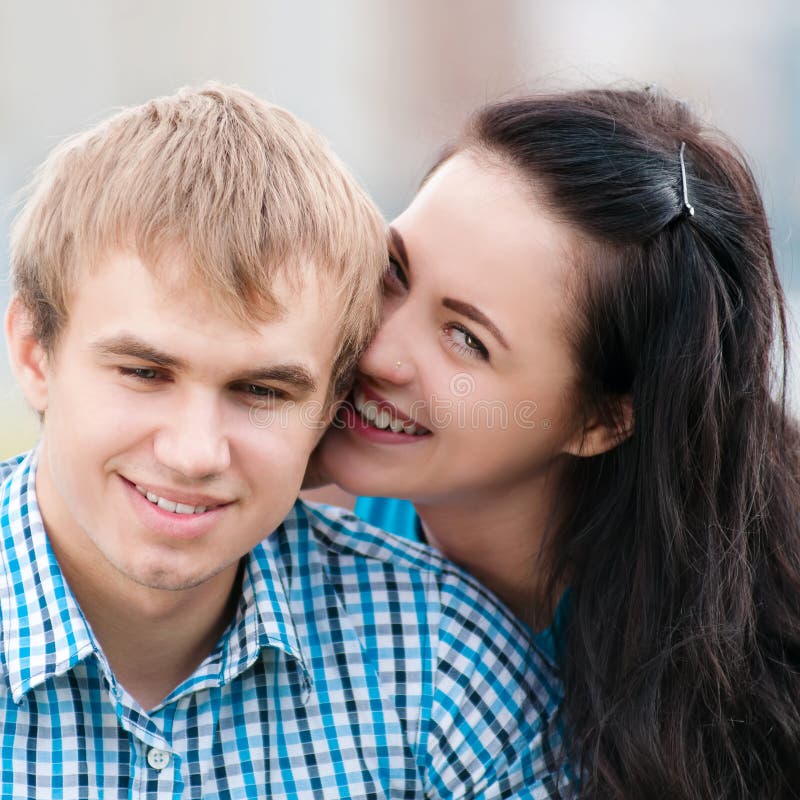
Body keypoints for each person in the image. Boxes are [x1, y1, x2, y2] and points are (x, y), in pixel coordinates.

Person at [1, 84, 570, 799]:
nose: (195, 452)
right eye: (145, 372)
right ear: (33, 353)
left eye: (262, 392)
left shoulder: (450, 671)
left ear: (334, 402)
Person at [314, 87, 800, 798]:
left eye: (465, 339)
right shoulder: (273, 501)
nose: (379, 350)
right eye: (394, 272)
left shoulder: (731, 679)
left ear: (600, 419)